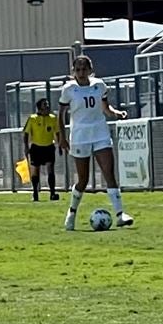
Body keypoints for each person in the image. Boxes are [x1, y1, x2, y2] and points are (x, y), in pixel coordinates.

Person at [56, 55, 134, 232]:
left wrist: (116, 113)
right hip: (80, 135)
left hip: (100, 133)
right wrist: (62, 137)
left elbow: (105, 107)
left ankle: (120, 214)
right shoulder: (69, 89)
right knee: (83, 180)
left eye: (84, 69)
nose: (81, 73)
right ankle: (72, 212)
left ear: (90, 70)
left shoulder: (100, 85)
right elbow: (61, 115)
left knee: (109, 173)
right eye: (78, 69)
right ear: (73, 71)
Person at [22, 97, 60, 202]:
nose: (47, 107)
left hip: (49, 146)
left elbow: (57, 132)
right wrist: (26, 147)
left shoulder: (52, 118)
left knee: (50, 169)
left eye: (47, 104)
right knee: (35, 171)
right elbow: (26, 133)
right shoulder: (32, 118)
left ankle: (52, 193)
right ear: (39, 108)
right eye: (45, 105)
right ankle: (35, 192)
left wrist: (60, 143)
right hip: (36, 147)